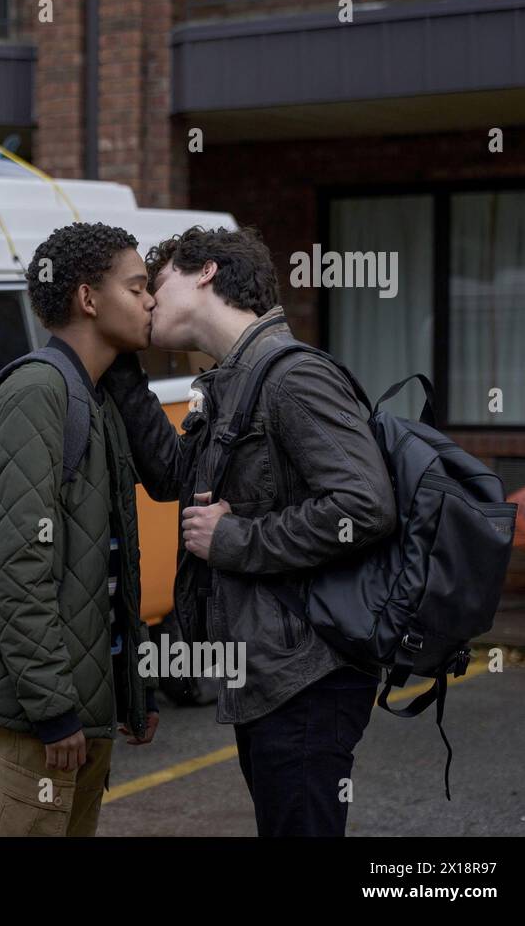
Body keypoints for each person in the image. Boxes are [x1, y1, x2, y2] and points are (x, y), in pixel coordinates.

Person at [104, 225, 396, 836]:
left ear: (206, 271)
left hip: (310, 675)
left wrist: (238, 539)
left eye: (156, 285)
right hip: (270, 670)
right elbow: (172, 477)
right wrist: (121, 360)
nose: (150, 302)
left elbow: (365, 506)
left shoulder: (291, 376)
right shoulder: (232, 380)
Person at [0, 222, 159, 837]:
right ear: (89, 300)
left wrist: (128, 693)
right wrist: (54, 709)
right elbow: (17, 566)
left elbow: (109, 568)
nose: (151, 301)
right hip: (37, 721)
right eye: (138, 287)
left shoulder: (93, 395)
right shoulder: (37, 392)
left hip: (79, 718)